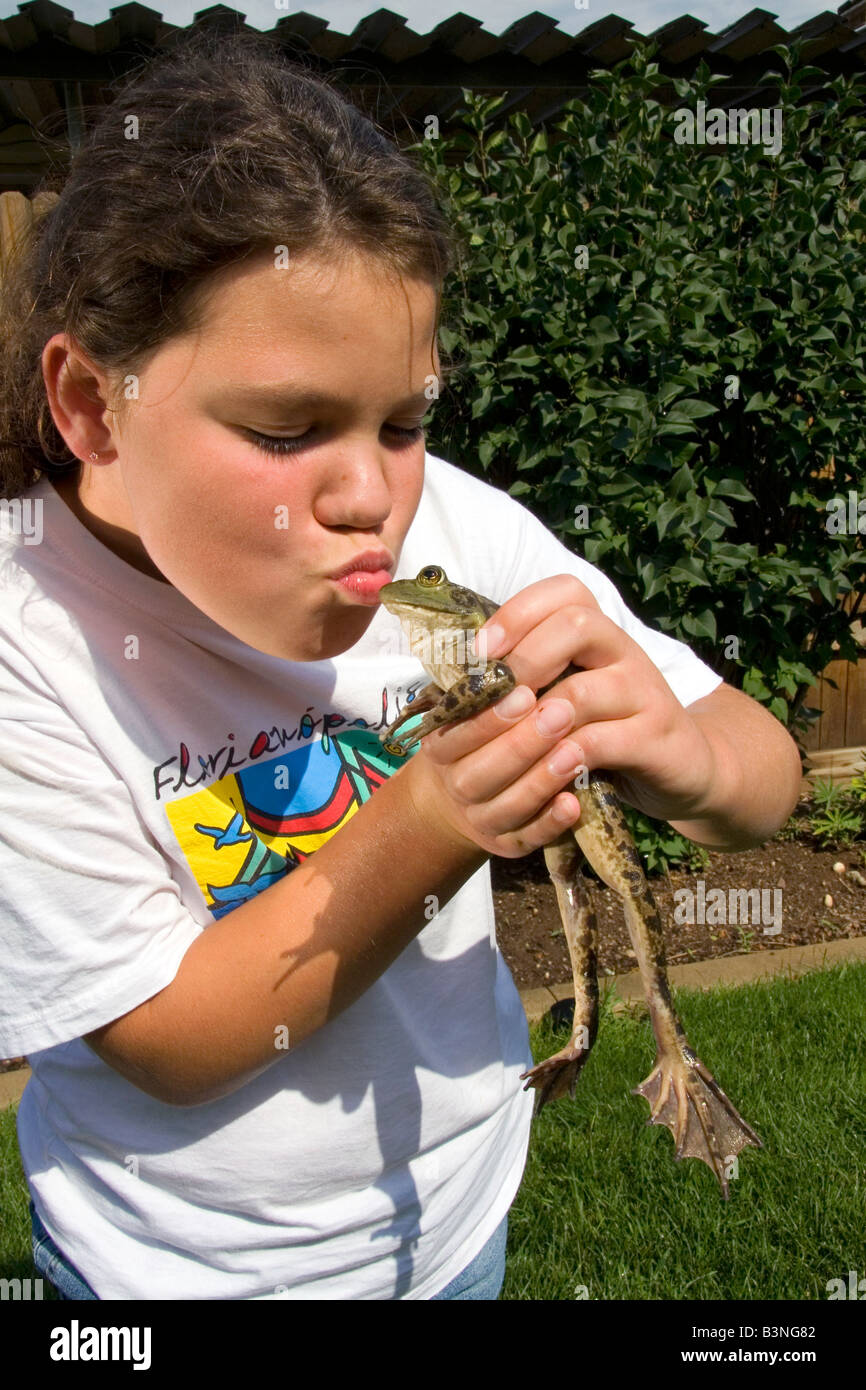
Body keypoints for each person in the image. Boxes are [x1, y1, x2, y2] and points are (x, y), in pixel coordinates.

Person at [0, 28, 802, 1301]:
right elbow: (166, 1036)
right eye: (285, 428)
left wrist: (683, 752)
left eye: (403, 422)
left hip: (455, 1221)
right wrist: (430, 818)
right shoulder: (27, 640)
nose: (370, 494)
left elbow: (767, 780)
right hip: (176, 1272)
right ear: (96, 404)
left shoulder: (451, 536)